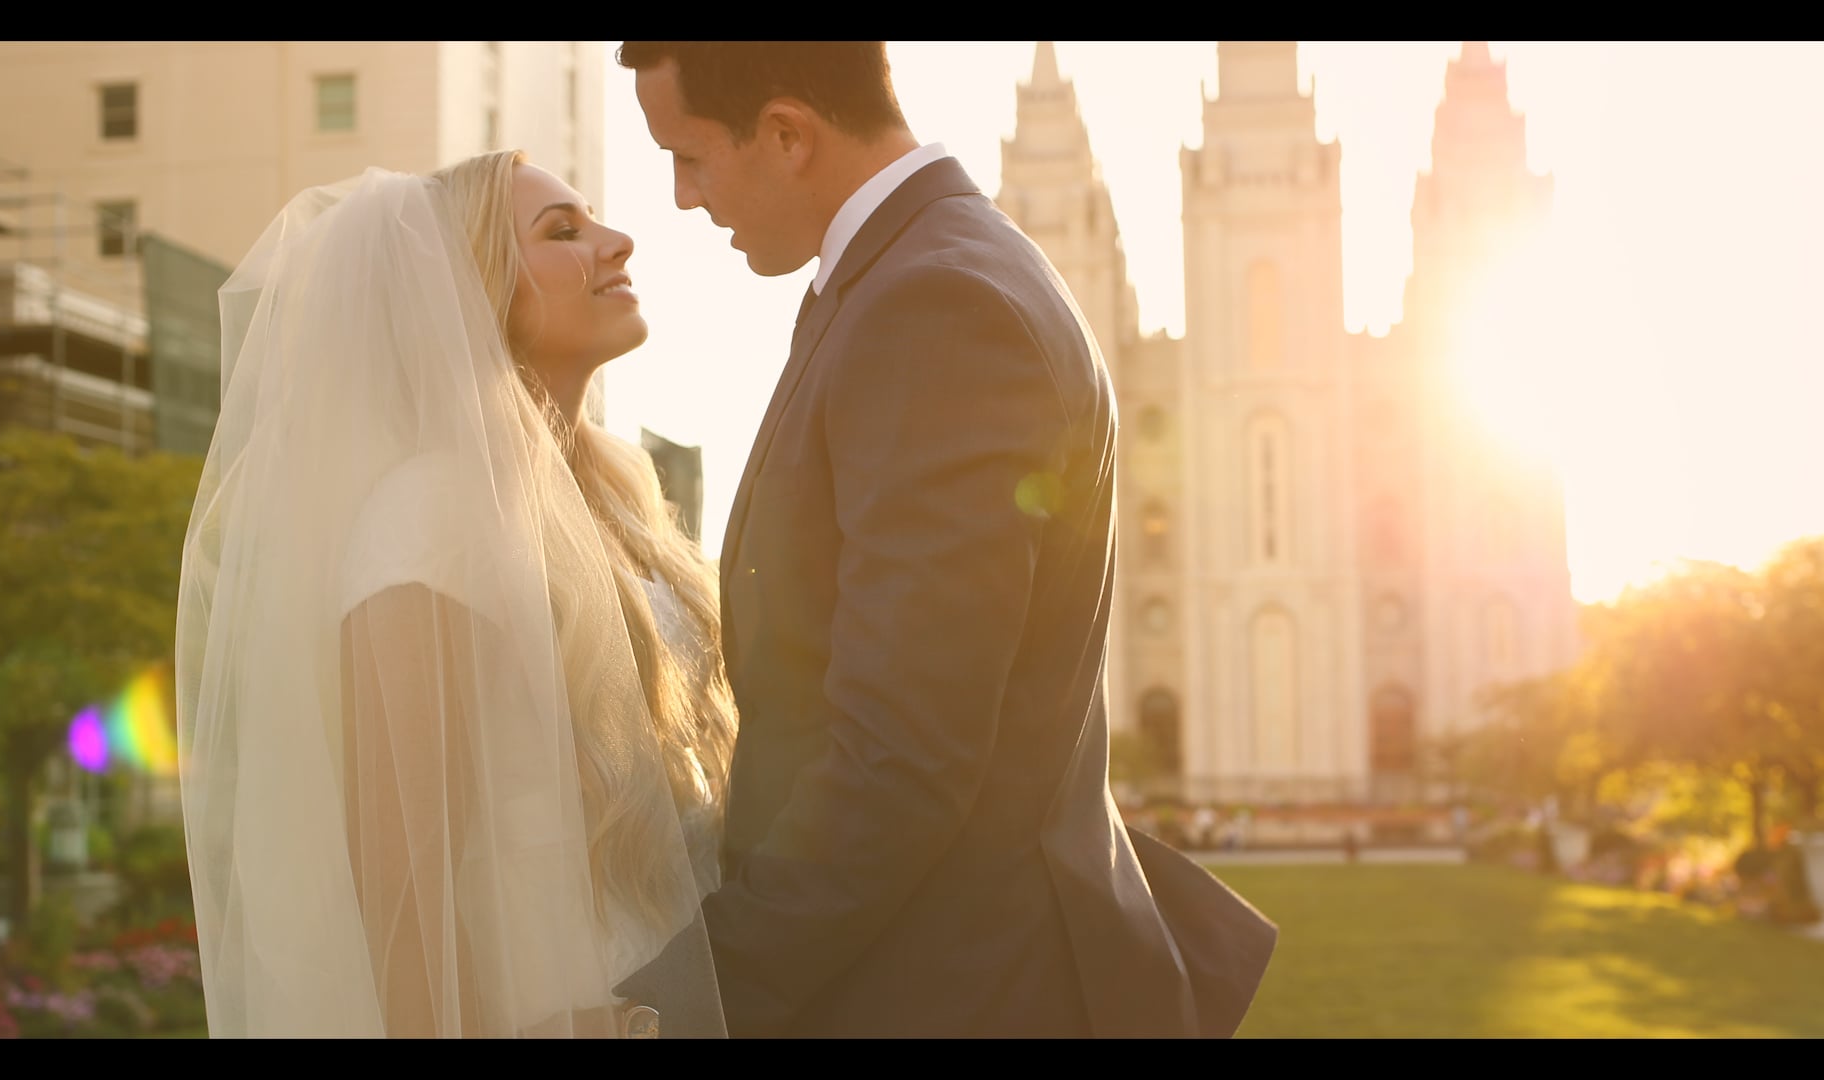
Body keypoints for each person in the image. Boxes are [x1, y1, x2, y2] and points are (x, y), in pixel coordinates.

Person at [618, 41, 1277, 1038]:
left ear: (787, 133)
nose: (681, 197)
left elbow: (900, 758)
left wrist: (677, 1007)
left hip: (952, 990)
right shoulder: (909, 275)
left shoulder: (936, 303)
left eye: (690, 156)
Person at [174, 150, 734, 1037]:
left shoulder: (618, 491)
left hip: (700, 993)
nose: (618, 241)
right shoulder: (432, 521)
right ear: (472, 293)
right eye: (563, 231)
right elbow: (402, 893)